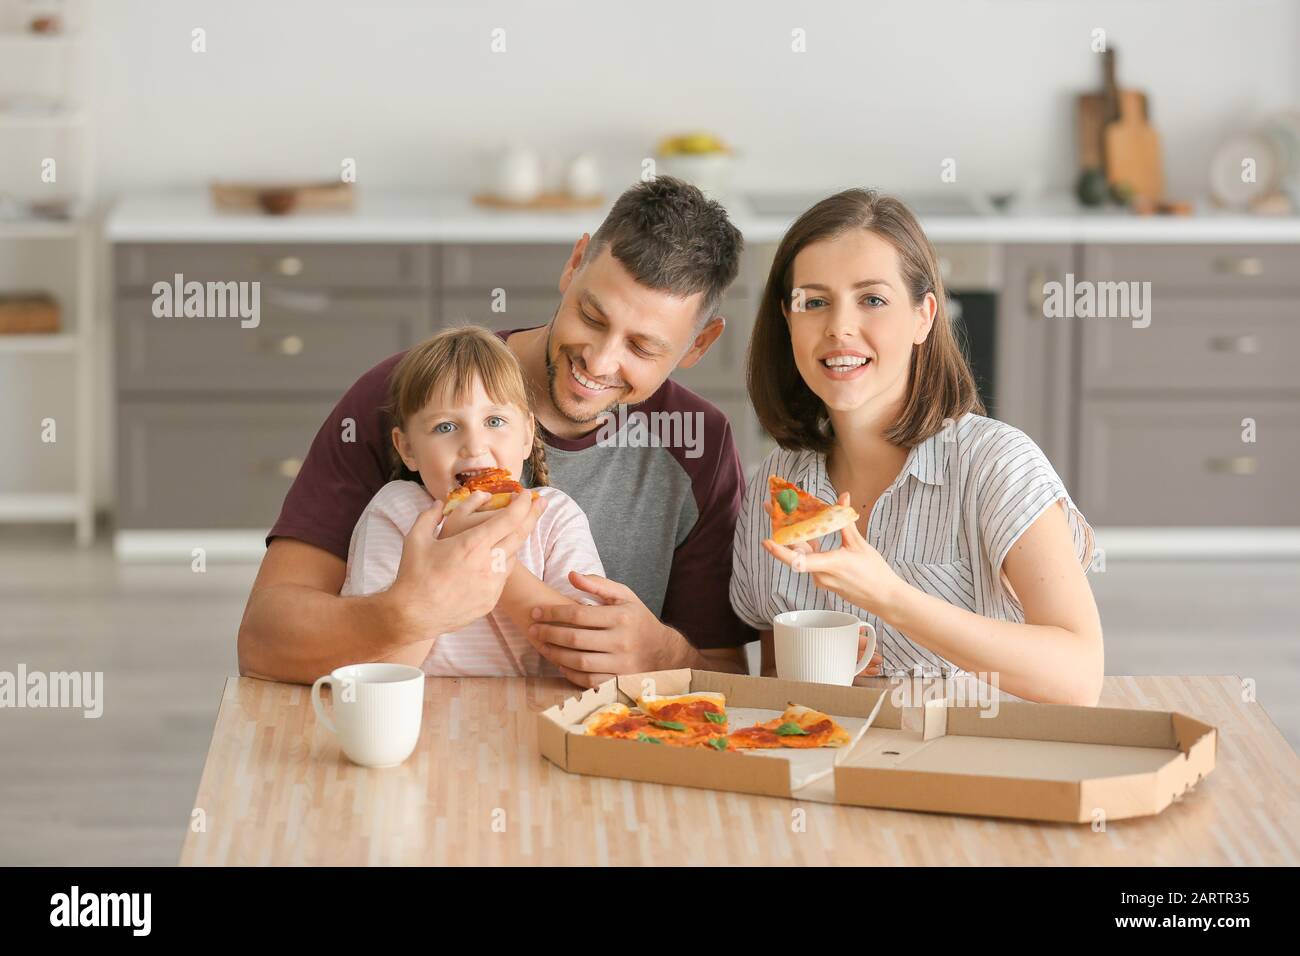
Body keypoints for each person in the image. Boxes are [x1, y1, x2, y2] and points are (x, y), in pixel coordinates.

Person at [238, 176, 756, 686]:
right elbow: (264, 642)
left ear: (698, 345)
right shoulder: (408, 396)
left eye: (642, 348)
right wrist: (405, 612)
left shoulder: (698, 444)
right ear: (573, 265)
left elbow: (729, 684)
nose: (599, 361)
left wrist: (664, 654)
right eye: (592, 317)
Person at [729, 189, 1103, 705]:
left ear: (925, 316)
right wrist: (832, 682)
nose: (839, 326)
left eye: (873, 300)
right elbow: (776, 684)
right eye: (814, 302)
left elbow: (1079, 676)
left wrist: (891, 599)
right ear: (788, 320)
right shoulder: (776, 490)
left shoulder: (997, 465)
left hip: (979, 772)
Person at [340, 325, 604, 677]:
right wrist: (446, 559)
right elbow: (375, 670)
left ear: (527, 435)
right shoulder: (397, 512)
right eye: (446, 427)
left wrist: (495, 556)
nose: (475, 445)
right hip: (426, 715)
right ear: (408, 449)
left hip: (536, 717)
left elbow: (587, 660)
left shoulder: (554, 516)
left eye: (494, 421)